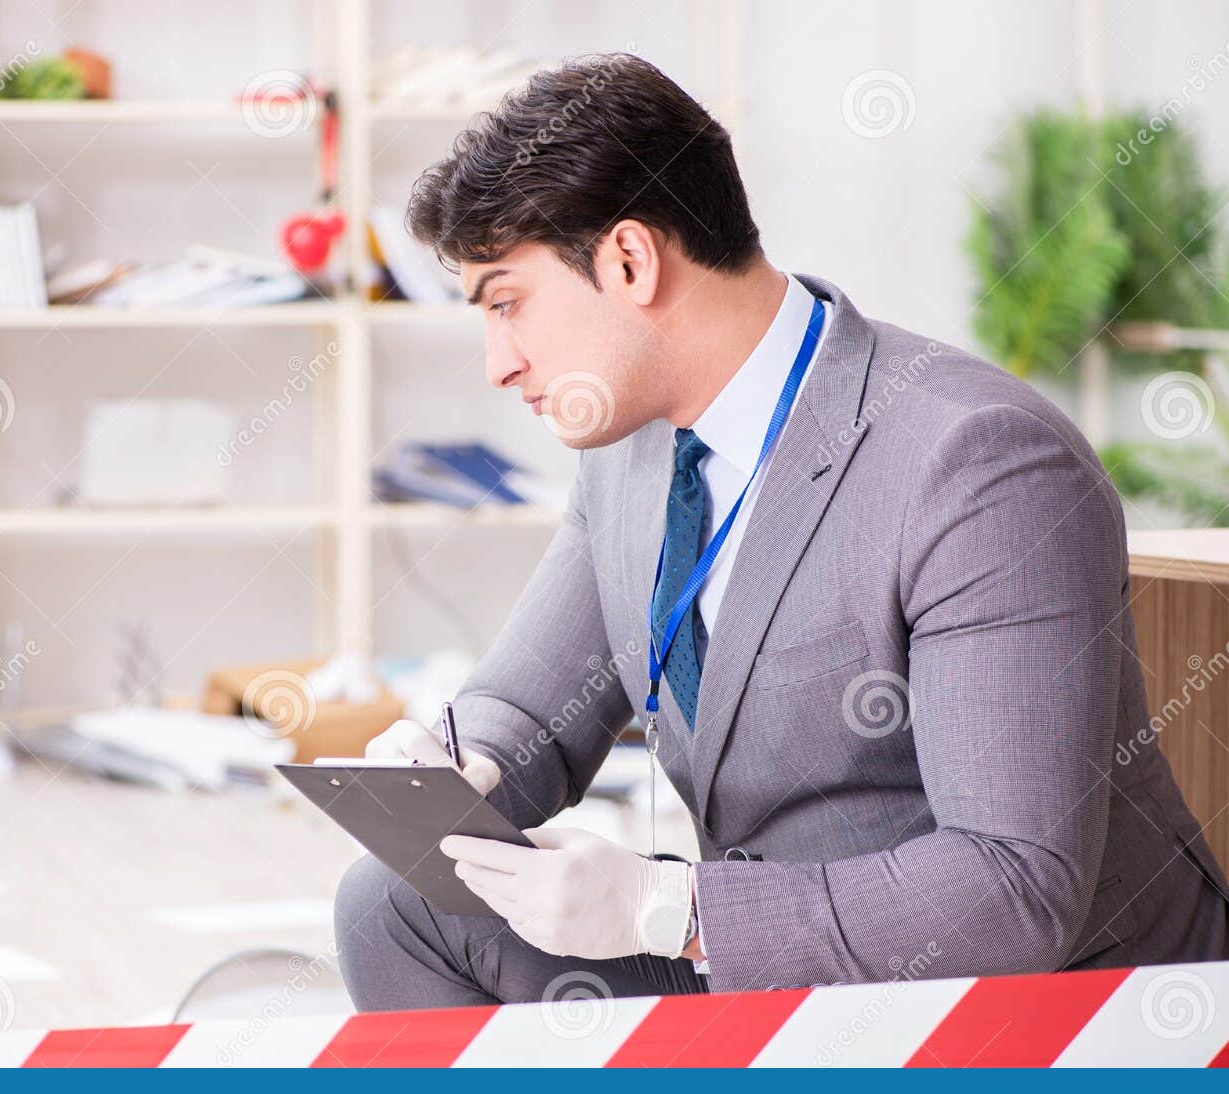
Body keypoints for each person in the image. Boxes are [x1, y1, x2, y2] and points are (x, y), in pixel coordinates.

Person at [334, 52, 1229, 1011]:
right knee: (393, 903)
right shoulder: (630, 452)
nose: (497, 365)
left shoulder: (977, 459)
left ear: (631, 260)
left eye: (507, 304)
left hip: (1042, 1002)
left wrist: (671, 909)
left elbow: (1014, 884)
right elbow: (527, 712)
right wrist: (453, 769)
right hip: (793, 981)